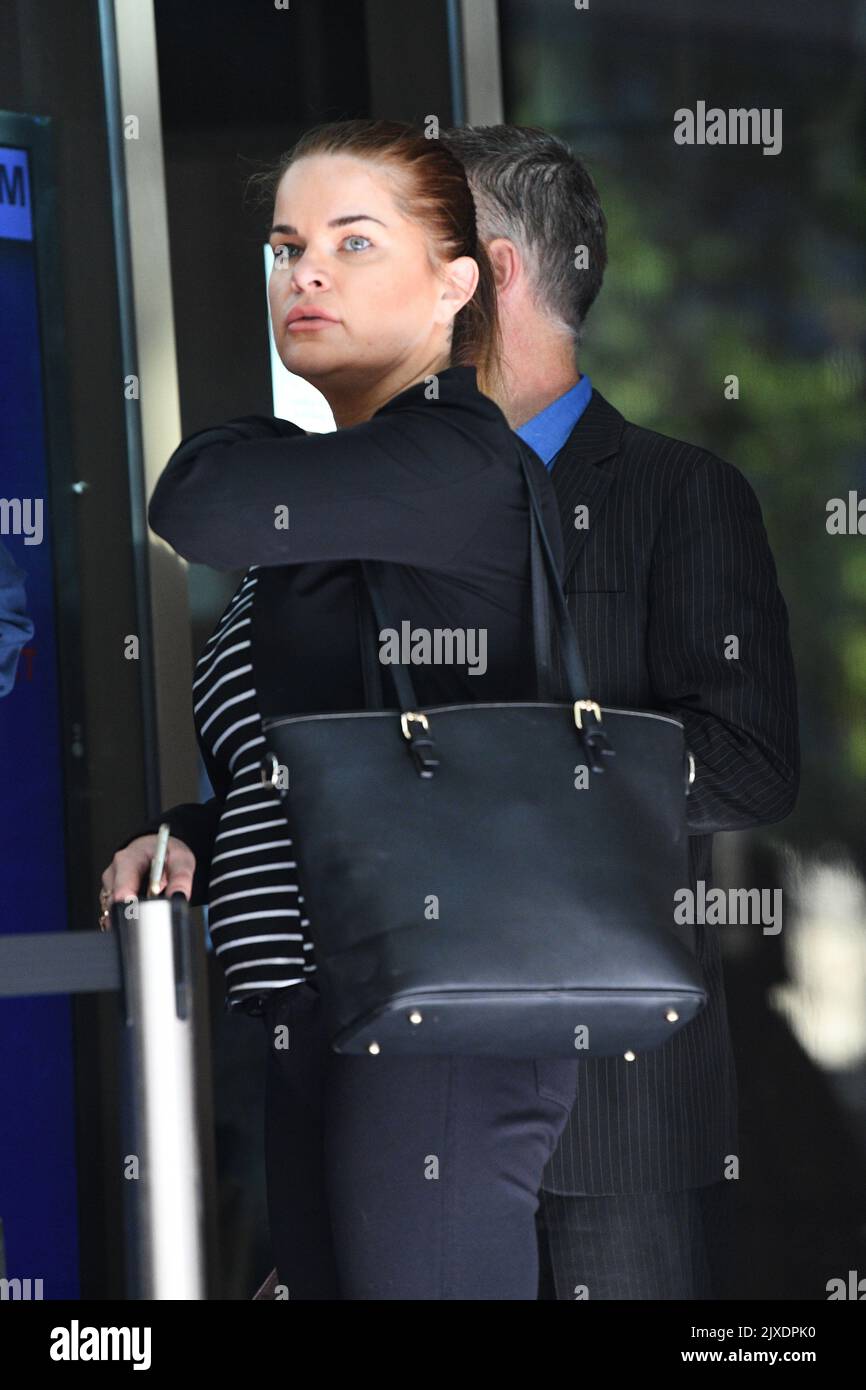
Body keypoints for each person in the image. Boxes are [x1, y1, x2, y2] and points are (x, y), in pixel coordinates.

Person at [101, 117, 582, 1300]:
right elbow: (338, 750)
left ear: (454, 285)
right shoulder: (348, 503)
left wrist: (250, 435)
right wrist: (199, 836)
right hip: (322, 1001)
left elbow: (199, 502)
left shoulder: (450, 463)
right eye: (284, 245)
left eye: (352, 243)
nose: (302, 272)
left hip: (430, 1015)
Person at [438, 123, 800, 1299]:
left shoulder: (678, 495)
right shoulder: (391, 501)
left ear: (489, 271)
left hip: (613, 1111)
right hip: (414, 1096)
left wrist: (531, 767)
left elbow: (748, 765)